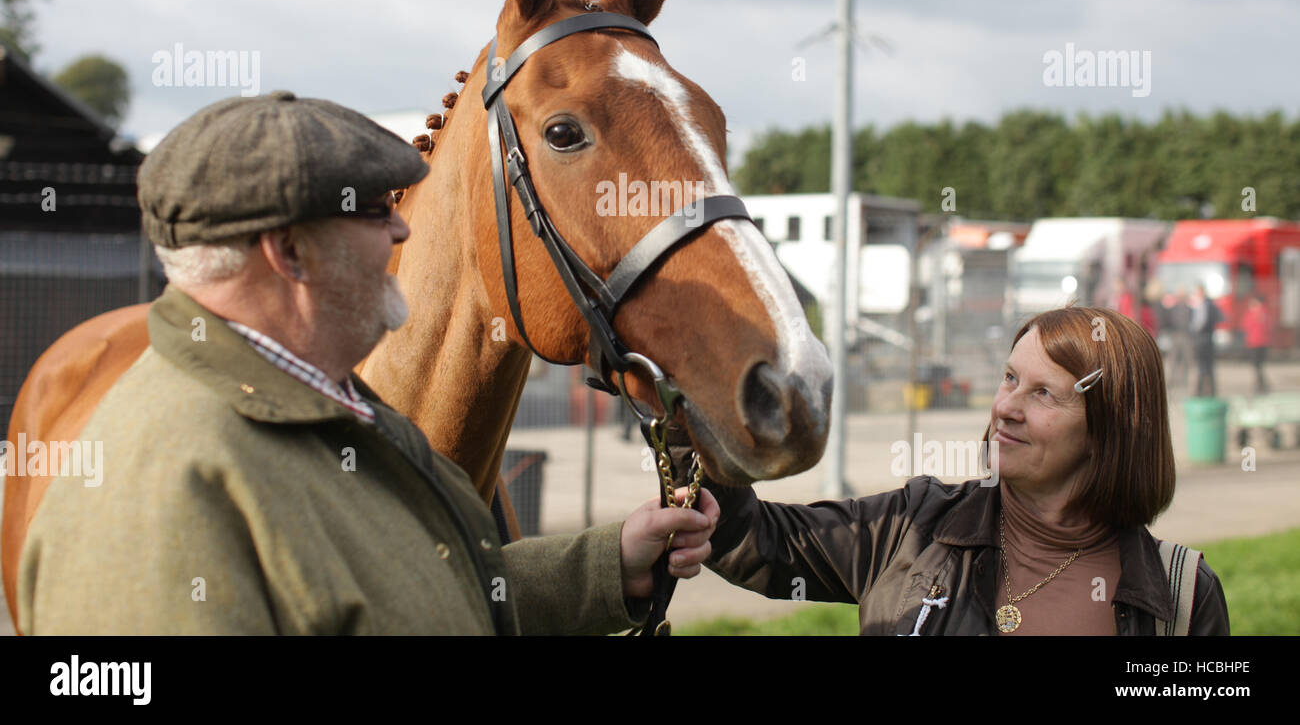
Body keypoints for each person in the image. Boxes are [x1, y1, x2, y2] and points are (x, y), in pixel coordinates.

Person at [18, 91, 717, 635]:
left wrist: (606, 567)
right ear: (290, 251)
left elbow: (412, 594)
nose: (402, 227)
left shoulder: (322, 399)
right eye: (375, 210)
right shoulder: (162, 488)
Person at [697, 306, 1229, 635]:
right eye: (1009, 378)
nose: (1005, 407)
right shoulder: (914, 528)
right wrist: (697, 404)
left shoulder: (1180, 597)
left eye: (1043, 393)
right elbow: (753, 541)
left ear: (1110, 429)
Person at [1189, 284, 1223, 397]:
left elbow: (1199, 324)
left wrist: (1194, 331)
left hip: (1203, 339)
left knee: (1202, 367)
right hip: (1208, 339)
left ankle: (1201, 391)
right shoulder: (1211, 305)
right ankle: (1209, 391)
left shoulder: (1203, 306)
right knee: (1208, 367)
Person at [1240, 295, 1271, 394]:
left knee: (1257, 365)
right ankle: (1261, 383)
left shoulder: (1260, 313)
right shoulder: (1259, 313)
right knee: (1258, 365)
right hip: (1257, 342)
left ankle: (1261, 384)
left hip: (1257, 342)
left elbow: (1246, 325)